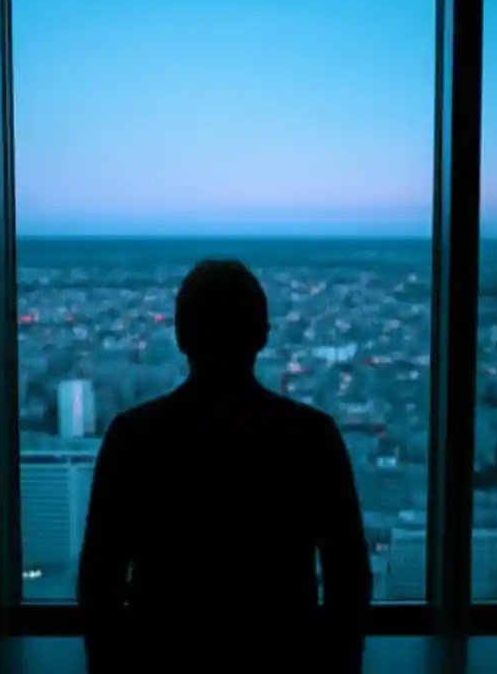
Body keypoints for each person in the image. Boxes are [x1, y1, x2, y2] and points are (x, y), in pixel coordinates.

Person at [78, 259, 372, 672]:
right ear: (262, 336)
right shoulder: (311, 437)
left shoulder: (133, 437)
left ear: (181, 336)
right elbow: (349, 581)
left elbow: (99, 584)